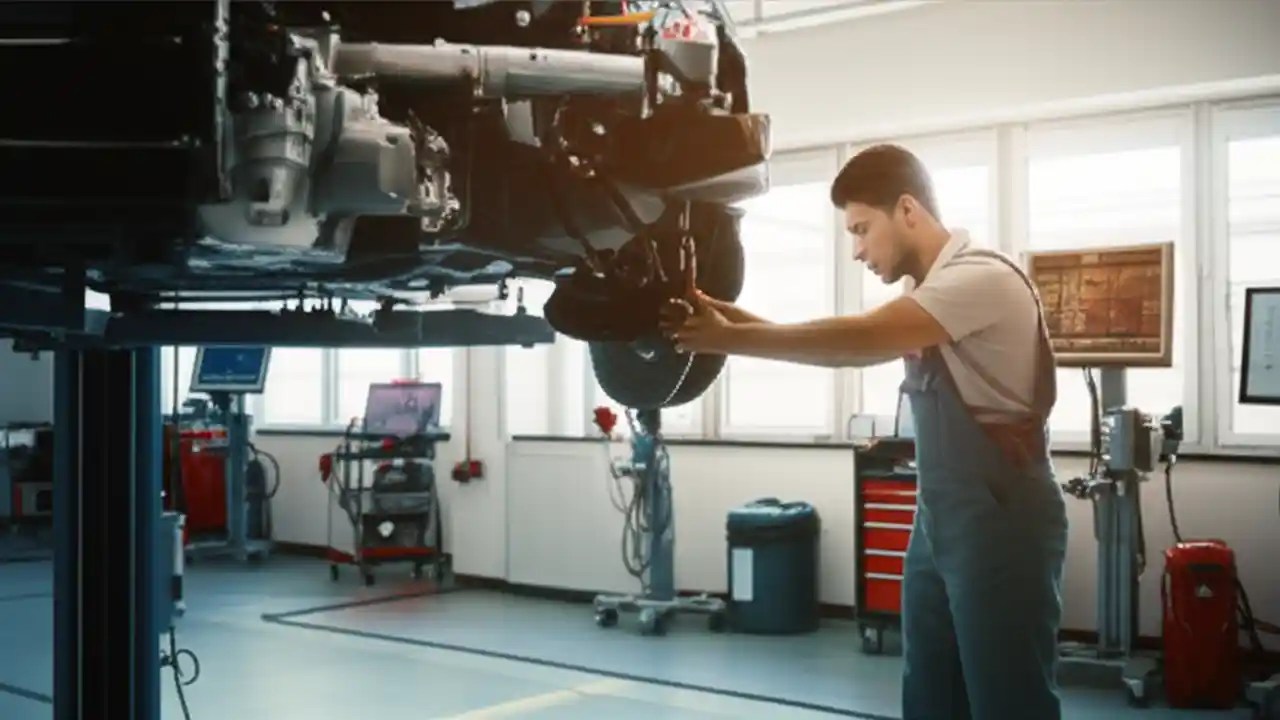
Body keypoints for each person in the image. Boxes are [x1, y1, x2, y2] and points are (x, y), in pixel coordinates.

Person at [661, 144, 1069, 720]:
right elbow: (811, 333)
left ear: (907, 210)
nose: (855, 250)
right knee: (930, 695)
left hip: (1001, 520)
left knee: (1009, 702)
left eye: (861, 229)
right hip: (940, 521)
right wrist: (718, 312)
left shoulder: (978, 278)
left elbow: (853, 342)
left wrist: (726, 338)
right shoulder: (930, 291)